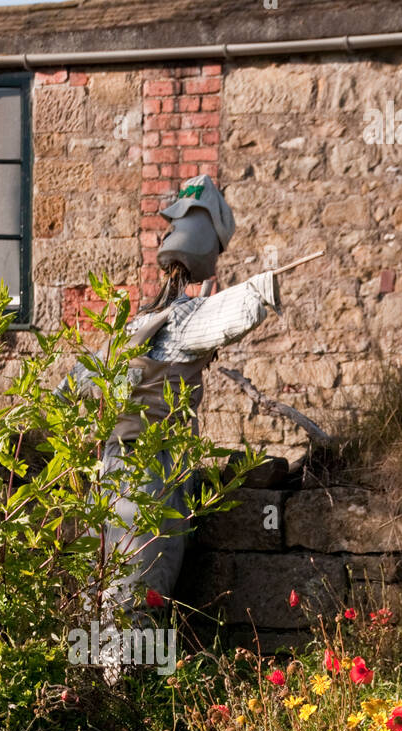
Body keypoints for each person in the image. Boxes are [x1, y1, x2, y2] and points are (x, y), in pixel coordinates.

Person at [60, 173, 283, 613]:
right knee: (127, 596)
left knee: (111, 594)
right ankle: (123, 676)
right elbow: (236, 311)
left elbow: (71, 389)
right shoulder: (172, 323)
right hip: (144, 473)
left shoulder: (130, 331)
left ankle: (110, 676)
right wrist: (261, 289)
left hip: (115, 467)